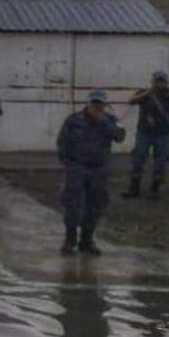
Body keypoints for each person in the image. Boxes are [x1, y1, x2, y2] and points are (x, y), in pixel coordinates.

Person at [57, 90, 126, 256]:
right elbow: (62, 141)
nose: (96, 106)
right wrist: (68, 163)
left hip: (99, 168)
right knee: (72, 203)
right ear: (87, 103)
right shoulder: (74, 120)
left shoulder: (110, 120)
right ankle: (70, 239)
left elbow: (119, 136)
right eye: (94, 103)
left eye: (99, 103)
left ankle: (86, 240)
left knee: (95, 205)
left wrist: (102, 121)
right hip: (77, 167)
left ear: (104, 105)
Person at [124, 71, 169, 199]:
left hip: (163, 134)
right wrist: (147, 93)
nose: (160, 85)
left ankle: (155, 188)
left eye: (162, 82)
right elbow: (131, 101)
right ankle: (134, 186)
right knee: (138, 158)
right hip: (144, 133)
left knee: (161, 161)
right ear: (153, 82)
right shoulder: (145, 93)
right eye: (157, 81)